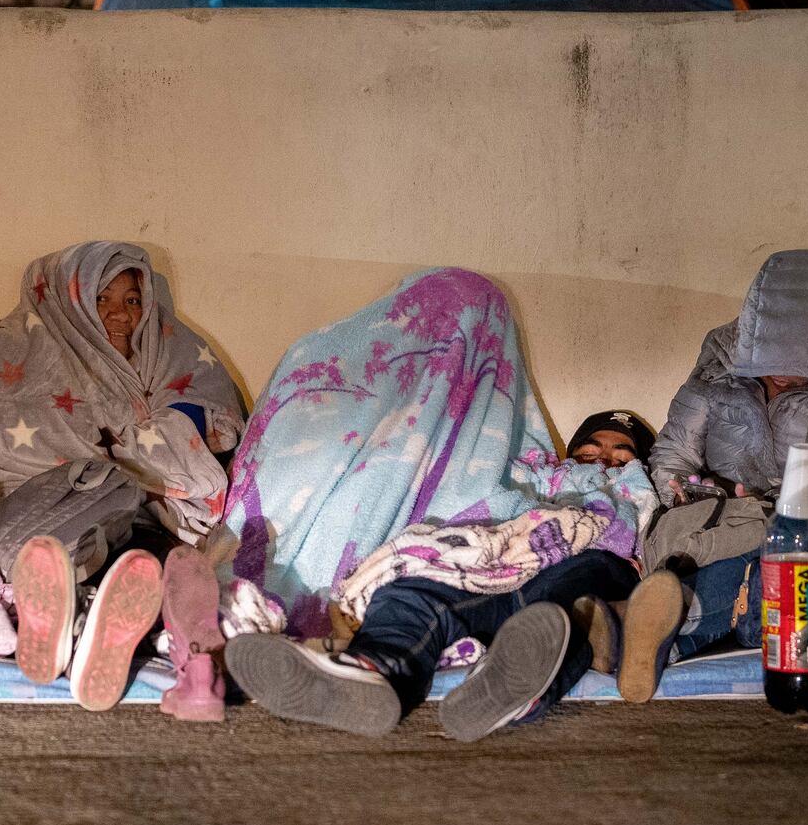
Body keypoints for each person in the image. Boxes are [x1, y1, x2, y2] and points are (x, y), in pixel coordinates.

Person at [219, 265, 661, 737]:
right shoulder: (541, 471)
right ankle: (375, 669)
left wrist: (617, 490)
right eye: (589, 451)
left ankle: (513, 678)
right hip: (506, 560)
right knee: (411, 589)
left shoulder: (639, 489)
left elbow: (633, 522)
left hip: (589, 558)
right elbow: (491, 491)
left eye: (621, 455)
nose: (602, 462)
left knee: (560, 607)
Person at [614, 248, 808, 701]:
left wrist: (783, 516)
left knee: (772, 572)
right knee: (718, 559)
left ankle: (637, 628)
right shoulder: (720, 362)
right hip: (720, 521)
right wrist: (685, 496)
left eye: (802, 370)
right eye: (772, 363)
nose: (784, 376)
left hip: (806, 535)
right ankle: (651, 624)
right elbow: (673, 454)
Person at [0, 241, 246, 716]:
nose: (120, 316)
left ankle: (93, 632)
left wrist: (120, 461)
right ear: (67, 303)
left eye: (132, 301)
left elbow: (209, 421)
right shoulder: (10, 345)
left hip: (144, 514)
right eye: (102, 300)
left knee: (168, 561)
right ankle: (193, 672)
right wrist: (116, 457)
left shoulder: (165, 349)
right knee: (105, 514)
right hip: (46, 512)